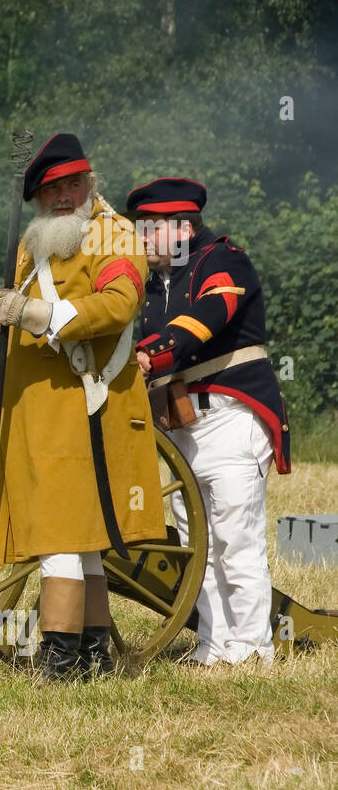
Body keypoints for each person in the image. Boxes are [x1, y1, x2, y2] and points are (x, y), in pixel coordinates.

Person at [0, 134, 167, 679]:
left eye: (72, 184)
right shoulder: (35, 242)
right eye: (51, 188)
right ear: (37, 196)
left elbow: (119, 305)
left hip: (85, 403)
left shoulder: (115, 235)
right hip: (35, 407)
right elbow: (10, 311)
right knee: (84, 539)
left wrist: (41, 316)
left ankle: (59, 658)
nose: (62, 196)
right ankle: (94, 653)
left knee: (59, 533)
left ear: (90, 182)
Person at [130, 177, 290, 666]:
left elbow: (207, 316)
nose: (140, 241)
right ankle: (213, 646)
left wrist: (149, 356)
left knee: (234, 538)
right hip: (183, 425)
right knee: (198, 544)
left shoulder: (222, 259)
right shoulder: (156, 284)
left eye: (149, 231)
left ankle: (252, 649)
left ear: (180, 227)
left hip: (230, 417)